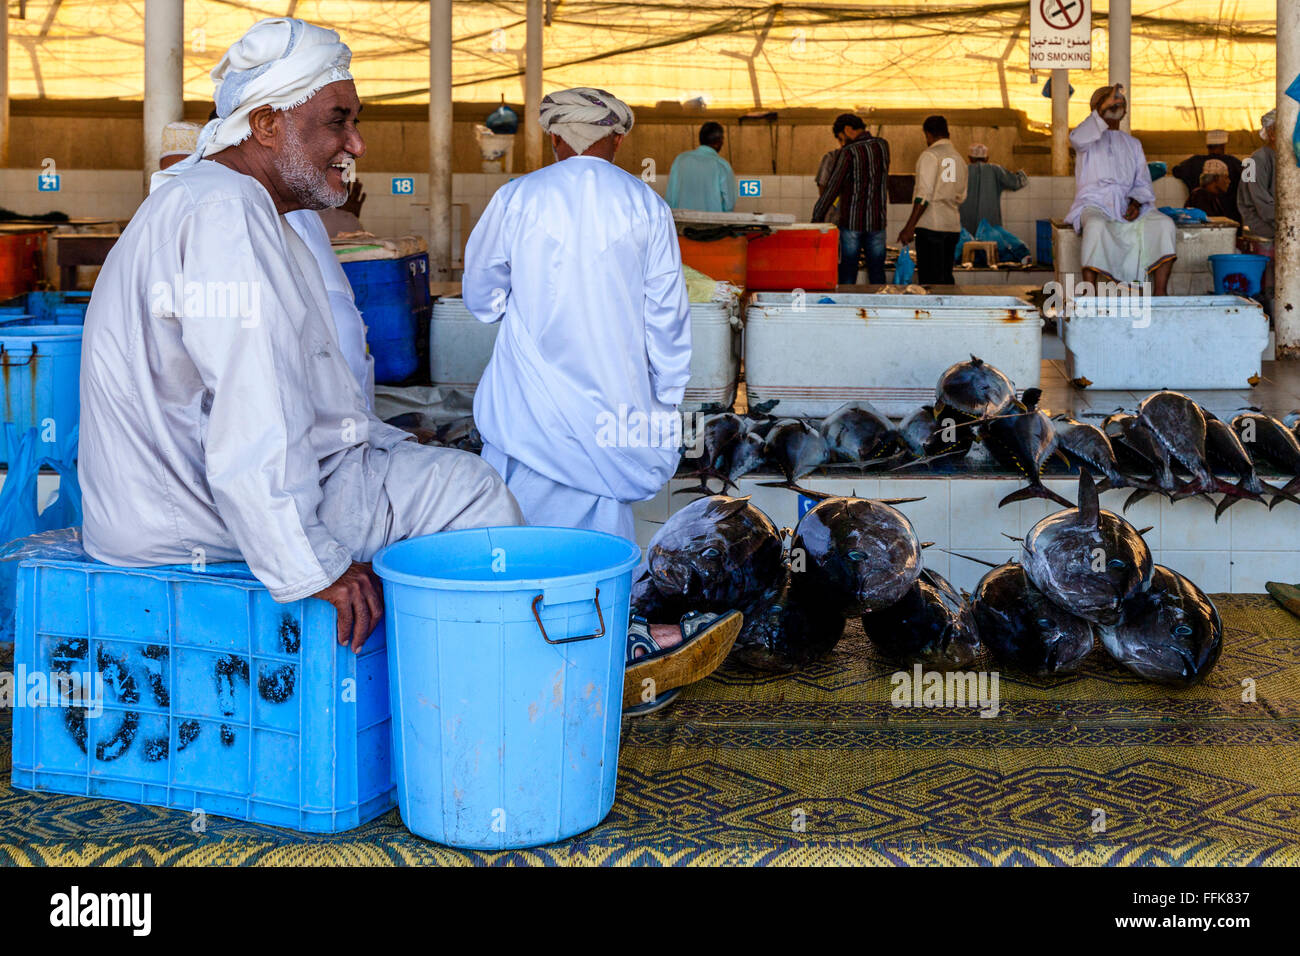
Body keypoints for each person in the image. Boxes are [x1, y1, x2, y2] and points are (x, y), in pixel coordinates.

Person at [82, 17, 523, 652]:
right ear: (265, 124)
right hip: (190, 520)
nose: (358, 144)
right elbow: (253, 413)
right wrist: (313, 564)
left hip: (169, 504)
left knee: (430, 471)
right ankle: (475, 695)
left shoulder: (227, 201)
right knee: (472, 492)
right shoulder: (225, 212)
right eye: (338, 120)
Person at [463, 88, 738, 715]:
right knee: (600, 539)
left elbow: (481, 295)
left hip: (527, 411)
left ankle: (518, 674)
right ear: (616, 140)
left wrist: (517, 308)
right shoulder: (643, 204)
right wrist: (665, 399)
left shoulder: (518, 197)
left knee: (520, 533)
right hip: (615, 416)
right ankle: (607, 669)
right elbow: (667, 317)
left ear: (556, 139)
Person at [1065, 85, 1177, 294]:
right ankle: (1090, 293)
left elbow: (1142, 182)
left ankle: (1160, 292)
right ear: (1097, 108)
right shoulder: (1085, 138)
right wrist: (1102, 109)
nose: (1117, 106)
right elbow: (1076, 138)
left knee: (1165, 224)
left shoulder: (1133, 143)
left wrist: (1135, 202)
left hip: (1128, 204)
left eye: (1120, 104)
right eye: (1111, 103)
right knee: (1095, 226)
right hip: (1095, 203)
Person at [811, 113, 891, 284]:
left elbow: (832, 187)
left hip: (852, 223)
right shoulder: (883, 146)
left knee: (848, 273)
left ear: (848, 129)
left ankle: (847, 309)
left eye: (841, 137)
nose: (842, 142)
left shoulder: (848, 152)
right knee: (877, 273)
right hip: (877, 222)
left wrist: (817, 216)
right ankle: (879, 308)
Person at [897, 115, 966, 286]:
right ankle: (949, 312)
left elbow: (923, 195)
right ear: (947, 133)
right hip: (952, 227)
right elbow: (961, 196)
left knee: (930, 280)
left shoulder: (930, 156)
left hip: (930, 227)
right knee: (945, 277)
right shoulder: (959, 159)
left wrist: (909, 226)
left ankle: (934, 313)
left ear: (928, 134)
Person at [666, 121, 737, 212]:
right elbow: (729, 203)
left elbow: (670, 197)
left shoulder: (680, 160)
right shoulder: (721, 165)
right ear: (720, 141)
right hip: (713, 223)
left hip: (683, 222)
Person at [1173, 129, 1242, 222]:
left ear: (1208, 146)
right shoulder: (1233, 163)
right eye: (1226, 178)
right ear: (1223, 146)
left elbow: (1176, 170)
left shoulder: (1193, 163)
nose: (1228, 181)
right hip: (1231, 219)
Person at [959, 142, 1027, 234]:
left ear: (969, 158)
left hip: (966, 226)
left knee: (967, 247)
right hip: (990, 226)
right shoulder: (996, 170)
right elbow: (1016, 182)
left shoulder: (962, 170)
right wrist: (1021, 173)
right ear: (987, 158)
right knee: (989, 247)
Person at [1238, 109, 1276, 239]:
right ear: (1271, 133)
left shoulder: (1288, 158)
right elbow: (1263, 206)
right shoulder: (1256, 160)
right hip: (1262, 227)